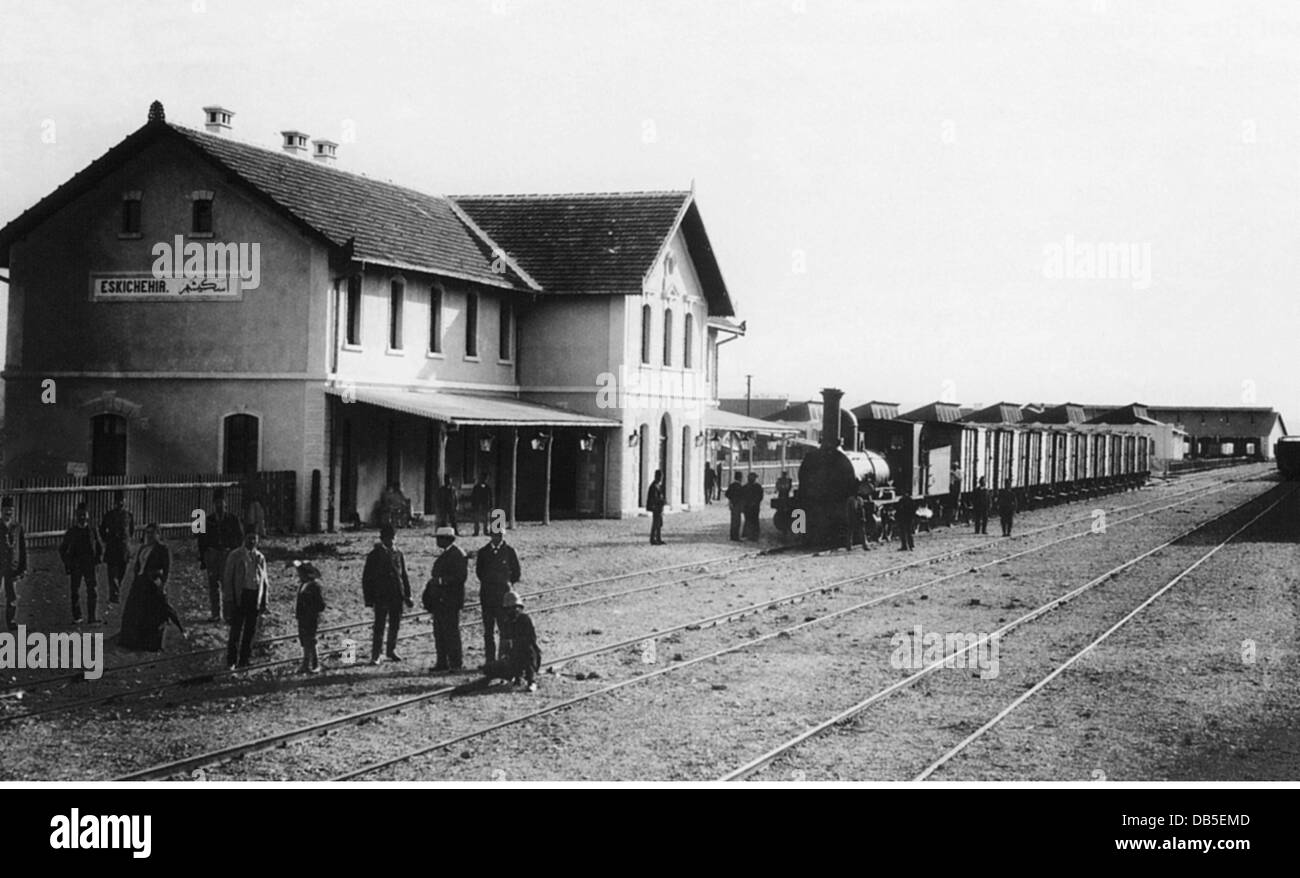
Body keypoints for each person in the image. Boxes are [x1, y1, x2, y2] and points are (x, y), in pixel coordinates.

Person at [118, 524, 182, 652]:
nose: (149, 535)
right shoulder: (143, 548)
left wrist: (163, 585)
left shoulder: (163, 549)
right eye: (147, 533)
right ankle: (131, 641)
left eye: (152, 533)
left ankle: (152, 643)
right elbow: (138, 565)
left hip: (153, 585)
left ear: (158, 534)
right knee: (134, 613)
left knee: (153, 616)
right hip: (140, 584)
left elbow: (167, 570)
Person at [362, 525, 412, 664]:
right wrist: (369, 599)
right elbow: (367, 578)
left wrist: (408, 595)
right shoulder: (375, 555)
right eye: (388, 538)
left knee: (395, 624)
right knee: (379, 625)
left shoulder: (399, 553)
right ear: (382, 539)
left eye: (393, 538)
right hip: (381, 596)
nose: (391, 541)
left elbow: (404, 576)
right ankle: (376, 655)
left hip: (397, 594)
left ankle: (391, 650)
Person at [223, 531, 269, 670]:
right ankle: (231, 660)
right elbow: (228, 578)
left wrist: (264, 601)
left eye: (254, 539)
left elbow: (265, 581)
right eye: (249, 539)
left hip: (254, 595)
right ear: (244, 539)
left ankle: (245, 659)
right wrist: (229, 599)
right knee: (236, 629)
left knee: (250, 630)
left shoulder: (260, 557)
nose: (252, 542)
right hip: (240, 595)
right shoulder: (235, 556)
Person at [423, 526, 467, 672]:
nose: (437, 541)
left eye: (439, 538)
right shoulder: (446, 555)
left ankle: (456, 663)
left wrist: (441, 581)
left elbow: (460, 577)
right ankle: (442, 662)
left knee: (451, 633)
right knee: (440, 633)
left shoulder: (457, 555)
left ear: (447, 539)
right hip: (440, 601)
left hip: (451, 601)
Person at [474, 527, 521, 664]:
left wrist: (505, 584)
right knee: (488, 631)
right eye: (494, 535)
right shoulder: (483, 552)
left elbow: (516, 572)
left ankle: (503, 659)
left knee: (504, 629)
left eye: (499, 535)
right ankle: (489, 660)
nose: (497, 538)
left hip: (503, 598)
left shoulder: (509, 552)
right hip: (487, 596)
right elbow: (479, 572)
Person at [197, 489, 244, 623]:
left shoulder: (233, 520)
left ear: (225, 504)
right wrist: (203, 557)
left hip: (227, 555)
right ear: (213, 504)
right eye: (217, 503)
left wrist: (233, 553)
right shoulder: (207, 520)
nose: (219, 506)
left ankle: (228, 613)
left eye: (221, 503)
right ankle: (215, 613)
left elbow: (239, 538)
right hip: (212, 555)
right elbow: (201, 540)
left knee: (227, 584)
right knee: (213, 585)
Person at [481, 590, 540, 692]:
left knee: (528, 652)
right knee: (489, 668)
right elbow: (505, 642)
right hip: (513, 656)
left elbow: (530, 642)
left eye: (514, 608)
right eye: (509, 609)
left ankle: (531, 681)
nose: (512, 611)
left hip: (527, 655)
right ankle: (513, 677)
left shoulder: (525, 620)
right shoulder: (507, 622)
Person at [59, 503, 105, 624]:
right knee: (75, 591)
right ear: (76, 516)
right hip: (77, 566)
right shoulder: (72, 532)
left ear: (88, 515)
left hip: (90, 565)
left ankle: (92, 617)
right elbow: (62, 549)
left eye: (84, 515)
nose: (82, 517)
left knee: (92, 591)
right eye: (79, 515)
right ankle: (77, 616)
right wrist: (68, 563)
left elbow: (99, 546)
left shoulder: (92, 530)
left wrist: (98, 560)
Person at [99, 490, 134, 605]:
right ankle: (114, 596)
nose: (120, 503)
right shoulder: (109, 515)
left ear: (124, 501)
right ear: (114, 502)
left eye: (121, 501)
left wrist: (127, 542)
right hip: (112, 547)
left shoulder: (128, 515)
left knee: (122, 572)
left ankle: (116, 590)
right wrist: (107, 540)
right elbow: (102, 529)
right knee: (112, 573)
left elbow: (131, 531)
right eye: (117, 501)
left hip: (124, 549)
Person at [1, 497, 28, 631]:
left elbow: (22, 549)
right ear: (1, 511)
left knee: (12, 595)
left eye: (10, 511)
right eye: (6, 510)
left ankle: (11, 620)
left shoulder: (17, 527)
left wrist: (23, 568)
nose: (8, 513)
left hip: (12, 567)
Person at [294, 561, 326, 674]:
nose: (299, 575)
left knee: (311, 640)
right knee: (304, 640)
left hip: (311, 618)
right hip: (302, 617)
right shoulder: (302, 586)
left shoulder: (314, 587)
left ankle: (315, 663)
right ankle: (306, 664)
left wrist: (311, 611)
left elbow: (321, 605)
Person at [646, 469, 666, 545]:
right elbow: (654, 498)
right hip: (656, 508)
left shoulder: (658, 485)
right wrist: (660, 501)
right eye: (660, 476)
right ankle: (653, 539)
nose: (661, 478)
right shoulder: (654, 486)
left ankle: (658, 538)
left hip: (659, 508)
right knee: (655, 523)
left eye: (661, 477)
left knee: (659, 523)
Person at [741, 472, 764, 541]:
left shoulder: (745, 487)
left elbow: (760, 496)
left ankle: (749, 534)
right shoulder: (757, 487)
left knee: (749, 520)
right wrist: (754, 502)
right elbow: (760, 497)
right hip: (753, 506)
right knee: (753, 520)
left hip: (749, 506)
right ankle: (754, 535)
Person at [724, 474, 744, 541]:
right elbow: (742, 496)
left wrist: (731, 499)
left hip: (732, 504)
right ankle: (736, 537)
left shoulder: (731, 485)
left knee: (733, 520)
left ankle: (732, 536)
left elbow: (727, 494)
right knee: (737, 521)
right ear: (740, 478)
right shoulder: (740, 486)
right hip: (737, 504)